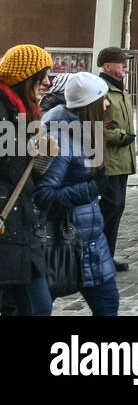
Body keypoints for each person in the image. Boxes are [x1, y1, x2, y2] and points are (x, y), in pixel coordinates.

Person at [34, 72, 120, 316]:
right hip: (64, 243)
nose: (107, 103)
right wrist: (91, 189)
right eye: (103, 98)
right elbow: (43, 195)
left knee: (108, 306)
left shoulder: (86, 131)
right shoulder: (60, 137)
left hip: (92, 241)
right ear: (90, 104)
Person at [0, 45, 53, 315]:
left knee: (36, 307)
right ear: (24, 78)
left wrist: (40, 156)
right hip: (7, 226)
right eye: (42, 75)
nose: (47, 82)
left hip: (20, 227)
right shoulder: (5, 112)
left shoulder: (25, 112)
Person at [96, 47, 135, 272]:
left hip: (122, 162)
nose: (125, 67)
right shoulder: (101, 91)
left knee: (116, 208)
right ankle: (99, 257)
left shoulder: (121, 90)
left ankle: (107, 256)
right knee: (108, 208)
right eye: (121, 63)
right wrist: (120, 136)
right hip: (109, 161)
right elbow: (95, 126)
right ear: (107, 66)